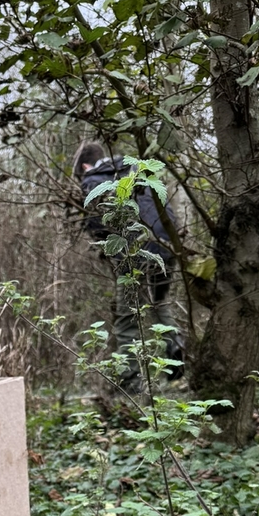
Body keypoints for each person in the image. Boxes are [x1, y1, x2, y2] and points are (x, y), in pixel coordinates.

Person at [73, 141, 184, 381]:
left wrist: (105, 246)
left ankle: (130, 377)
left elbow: (98, 223)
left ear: (85, 165)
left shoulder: (93, 181)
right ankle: (174, 348)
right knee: (159, 300)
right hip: (168, 242)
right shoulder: (136, 169)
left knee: (127, 312)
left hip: (135, 248)